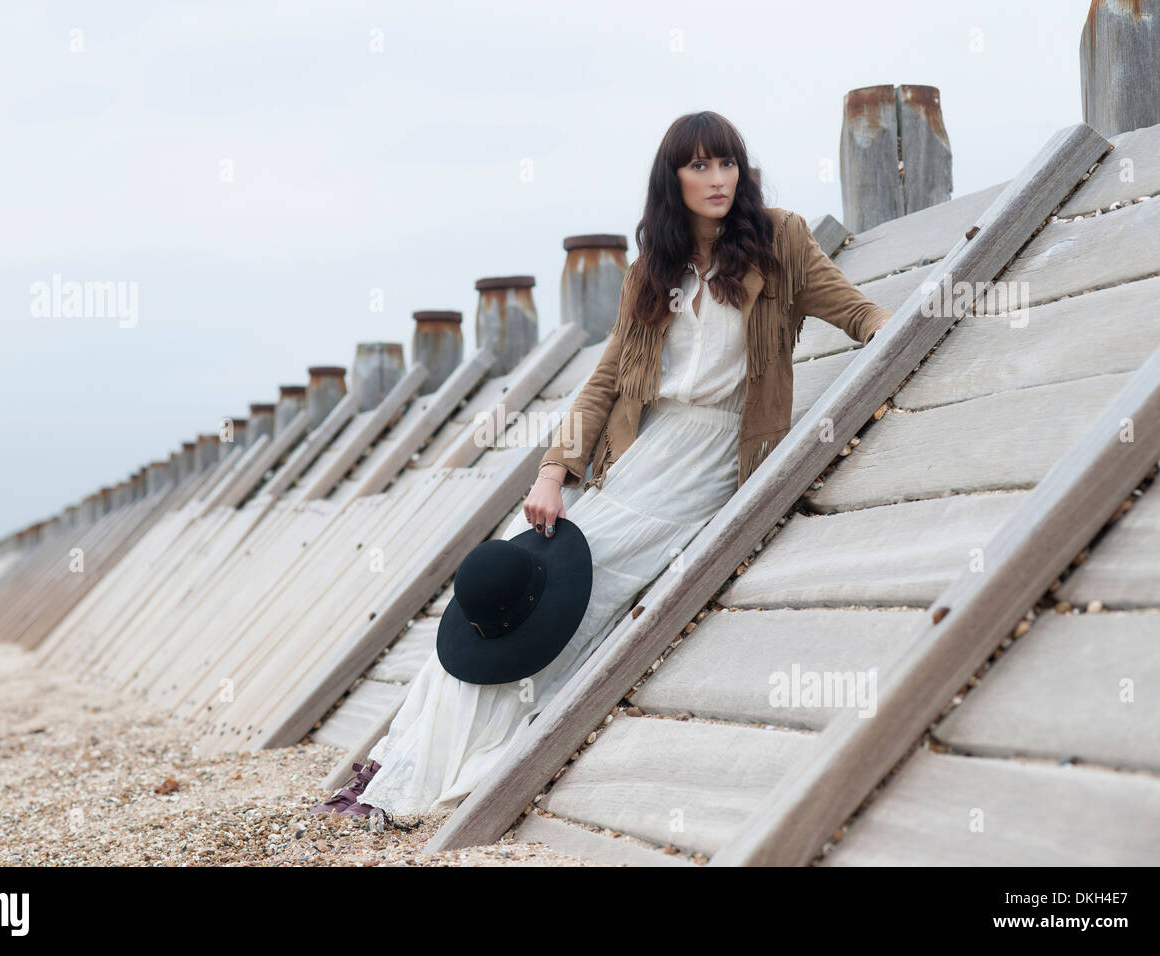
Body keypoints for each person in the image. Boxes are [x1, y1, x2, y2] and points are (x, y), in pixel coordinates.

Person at [313, 110, 893, 820]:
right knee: (525, 584)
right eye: (699, 166)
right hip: (638, 460)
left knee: (577, 600)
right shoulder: (652, 270)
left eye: (727, 164)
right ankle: (402, 766)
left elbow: (859, 314)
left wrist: (911, 328)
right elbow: (606, 381)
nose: (717, 180)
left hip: (718, 462)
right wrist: (552, 473)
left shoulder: (782, 241)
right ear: (671, 180)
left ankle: (437, 769)